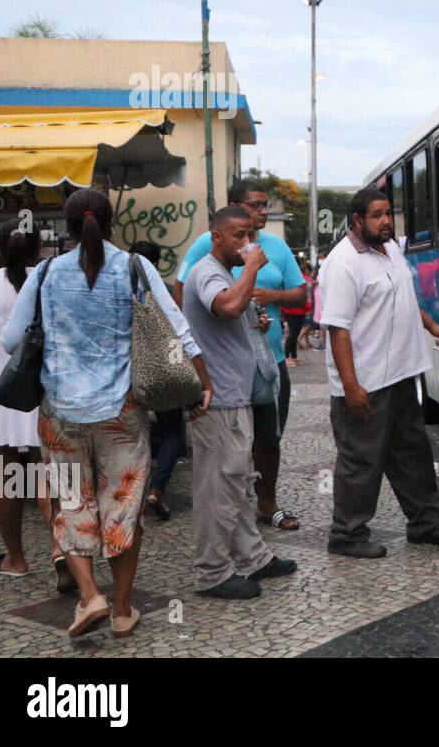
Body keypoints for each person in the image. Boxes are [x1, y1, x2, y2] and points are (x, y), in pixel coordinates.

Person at [2, 189, 212, 637]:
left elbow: (11, 339)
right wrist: (202, 383)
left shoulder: (45, 274)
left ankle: (89, 595)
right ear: (111, 222)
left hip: (60, 414)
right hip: (122, 412)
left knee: (70, 504)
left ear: (69, 227)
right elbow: (177, 327)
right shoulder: (134, 267)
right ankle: (120, 611)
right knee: (123, 508)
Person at [319, 189, 439, 558]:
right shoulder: (343, 262)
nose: (385, 221)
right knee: (361, 462)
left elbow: (404, 299)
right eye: (376, 215)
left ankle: (425, 524)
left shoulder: (391, 249)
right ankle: (346, 535)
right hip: (365, 383)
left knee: (412, 454)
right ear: (357, 220)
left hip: (401, 374)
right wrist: (351, 387)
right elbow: (338, 329)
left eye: (387, 214)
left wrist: (432, 326)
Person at [181, 205, 299, 599]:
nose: (247, 244)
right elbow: (227, 306)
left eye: (250, 236)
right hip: (218, 398)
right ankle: (212, 572)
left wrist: (256, 320)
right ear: (216, 238)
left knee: (239, 482)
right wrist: (251, 266)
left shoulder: (224, 273)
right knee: (218, 487)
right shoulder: (206, 272)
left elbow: (234, 315)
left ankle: (253, 557)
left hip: (235, 393)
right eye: (238, 236)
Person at [0, 218, 73, 592]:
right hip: (41, 391)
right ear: (38, 247)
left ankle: (15, 559)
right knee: (49, 478)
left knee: (4, 480)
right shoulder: (51, 281)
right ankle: (59, 548)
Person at [128, 241, 183, 520]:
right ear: (157, 263)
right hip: (160, 368)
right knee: (172, 429)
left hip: (126, 373)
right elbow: (179, 327)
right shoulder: (165, 290)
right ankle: (156, 490)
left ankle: (131, 495)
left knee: (132, 433)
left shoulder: (117, 285)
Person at [282, 261, 310, 366]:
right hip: (293, 310)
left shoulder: (293, 276)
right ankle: (286, 357)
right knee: (293, 334)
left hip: (296, 309)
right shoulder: (294, 277)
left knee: (294, 333)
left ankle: (293, 356)